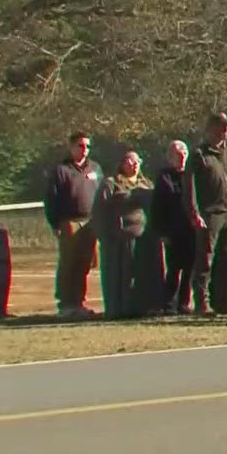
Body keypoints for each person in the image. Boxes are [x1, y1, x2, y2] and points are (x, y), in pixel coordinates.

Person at [44, 130, 103, 319]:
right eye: (80, 145)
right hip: (69, 222)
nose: (84, 149)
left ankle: (79, 303)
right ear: (71, 147)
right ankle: (66, 304)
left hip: (90, 222)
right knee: (69, 263)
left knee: (84, 265)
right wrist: (55, 223)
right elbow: (51, 199)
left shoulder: (95, 169)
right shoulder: (61, 170)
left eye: (87, 146)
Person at [93, 151, 159, 318]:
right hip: (120, 237)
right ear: (122, 163)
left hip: (144, 236)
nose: (135, 164)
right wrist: (105, 234)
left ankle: (141, 307)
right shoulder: (111, 183)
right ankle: (118, 309)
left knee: (142, 274)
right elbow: (99, 211)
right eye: (131, 160)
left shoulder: (146, 184)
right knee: (119, 276)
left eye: (138, 160)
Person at [190, 113, 227, 315]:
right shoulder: (200, 154)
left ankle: (223, 300)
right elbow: (191, 186)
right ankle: (202, 302)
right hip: (210, 213)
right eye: (221, 127)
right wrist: (194, 212)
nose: (225, 131)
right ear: (211, 128)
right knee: (206, 259)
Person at [150, 140, 201, 315]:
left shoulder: (192, 175)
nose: (182, 158)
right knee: (174, 268)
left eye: (184, 154)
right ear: (170, 157)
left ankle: (184, 303)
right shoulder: (164, 177)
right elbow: (157, 206)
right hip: (173, 230)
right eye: (178, 155)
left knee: (190, 268)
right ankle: (169, 304)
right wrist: (162, 231)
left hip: (191, 229)